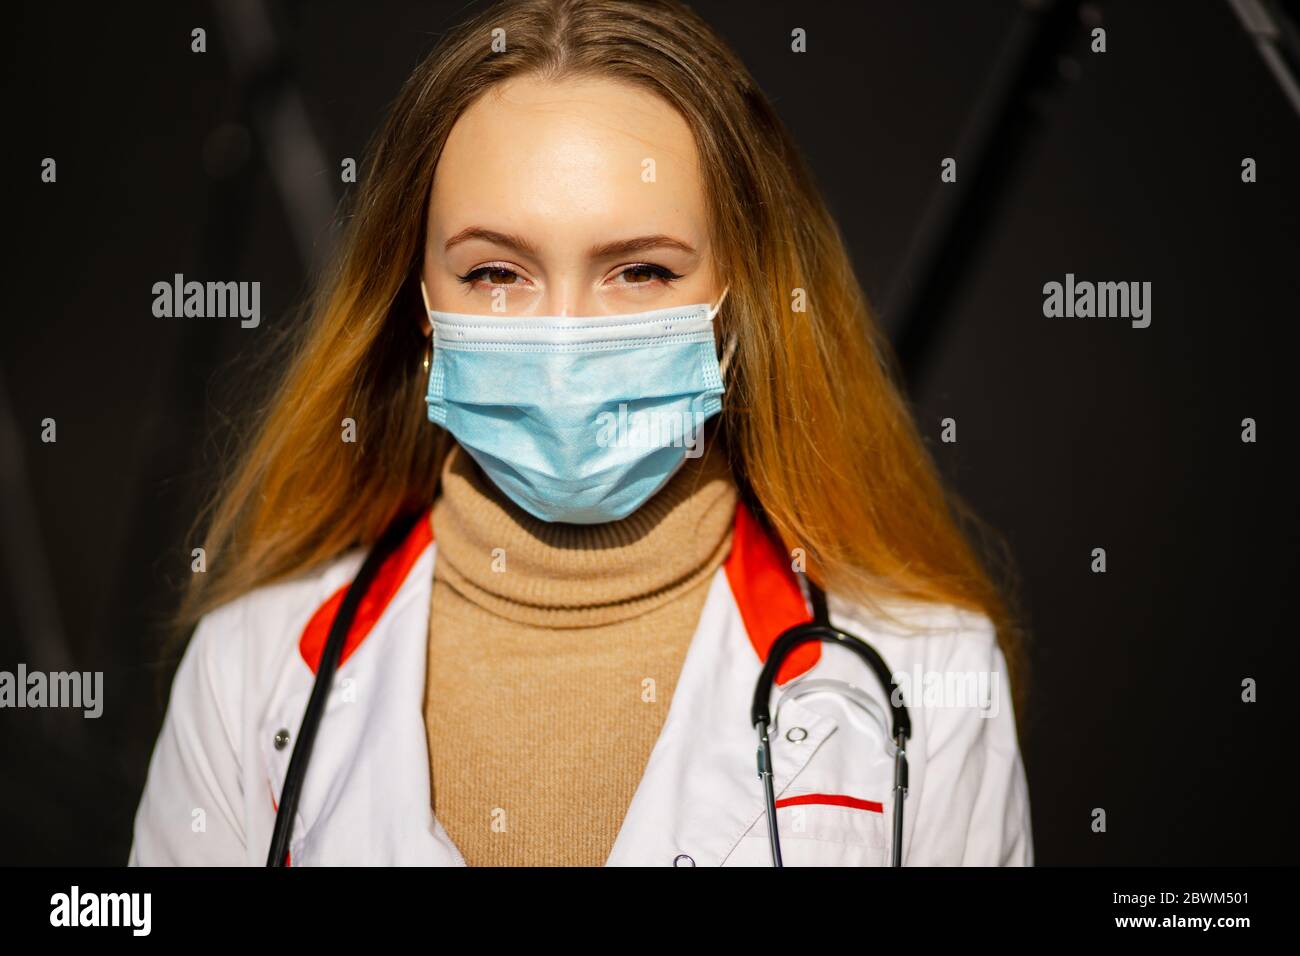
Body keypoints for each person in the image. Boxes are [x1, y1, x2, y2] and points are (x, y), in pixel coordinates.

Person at [130, 0, 1033, 867]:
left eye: (640, 271)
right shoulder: (249, 675)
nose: (562, 336)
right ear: (417, 303)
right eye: (494, 273)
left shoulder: (930, 678)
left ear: (740, 303)